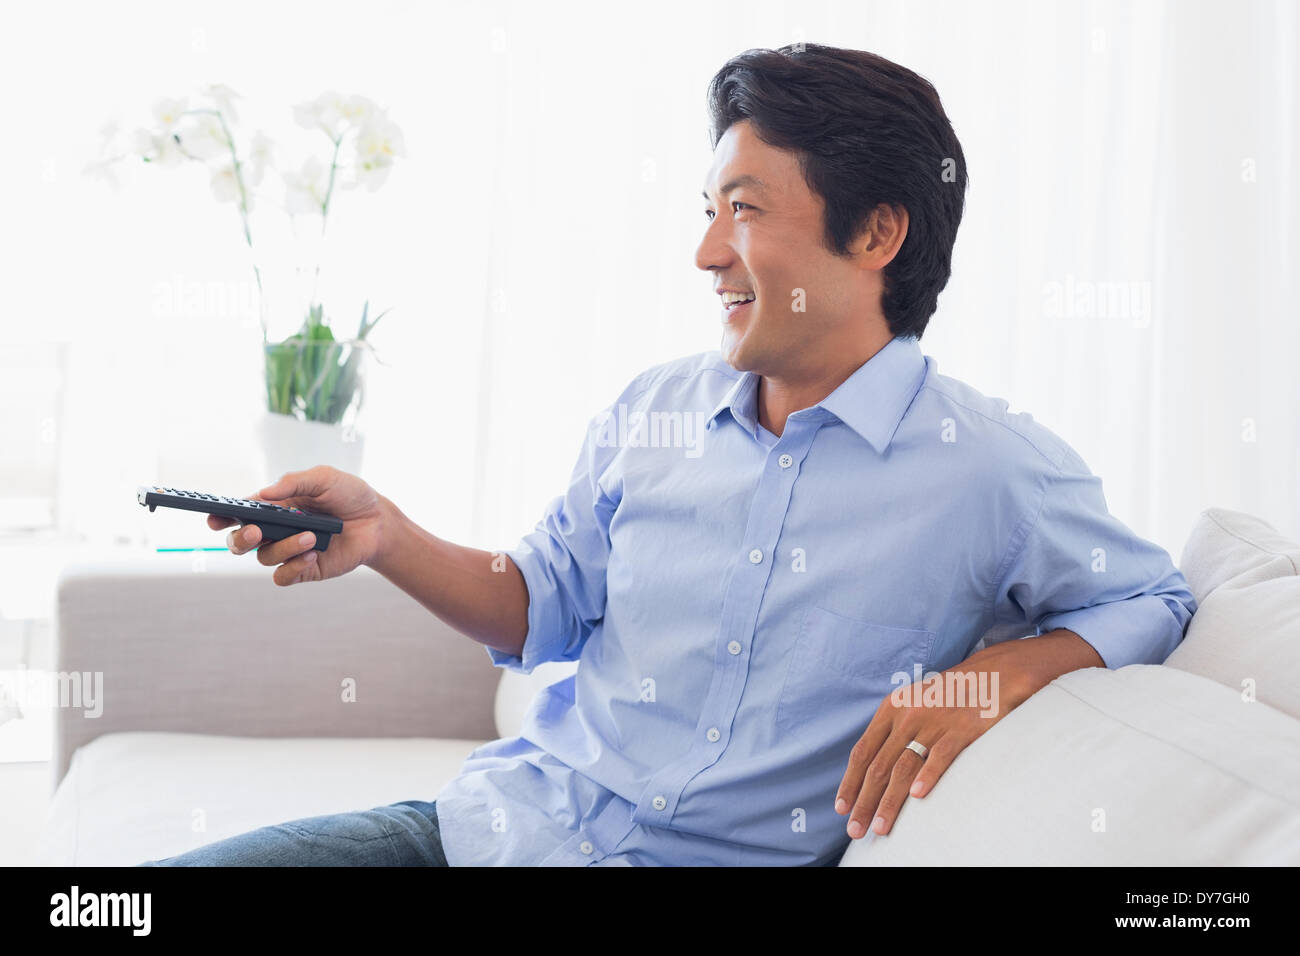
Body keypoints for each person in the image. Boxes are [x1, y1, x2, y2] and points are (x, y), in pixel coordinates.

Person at [141, 43, 1196, 867]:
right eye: (706, 211)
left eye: (742, 211)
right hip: (490, 831)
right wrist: (384, 532)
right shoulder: (653, 408)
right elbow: (539, 600)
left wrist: (1010, 667)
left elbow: (1153, 594)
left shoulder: (989, 469)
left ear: (876, 233)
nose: (703, 253)